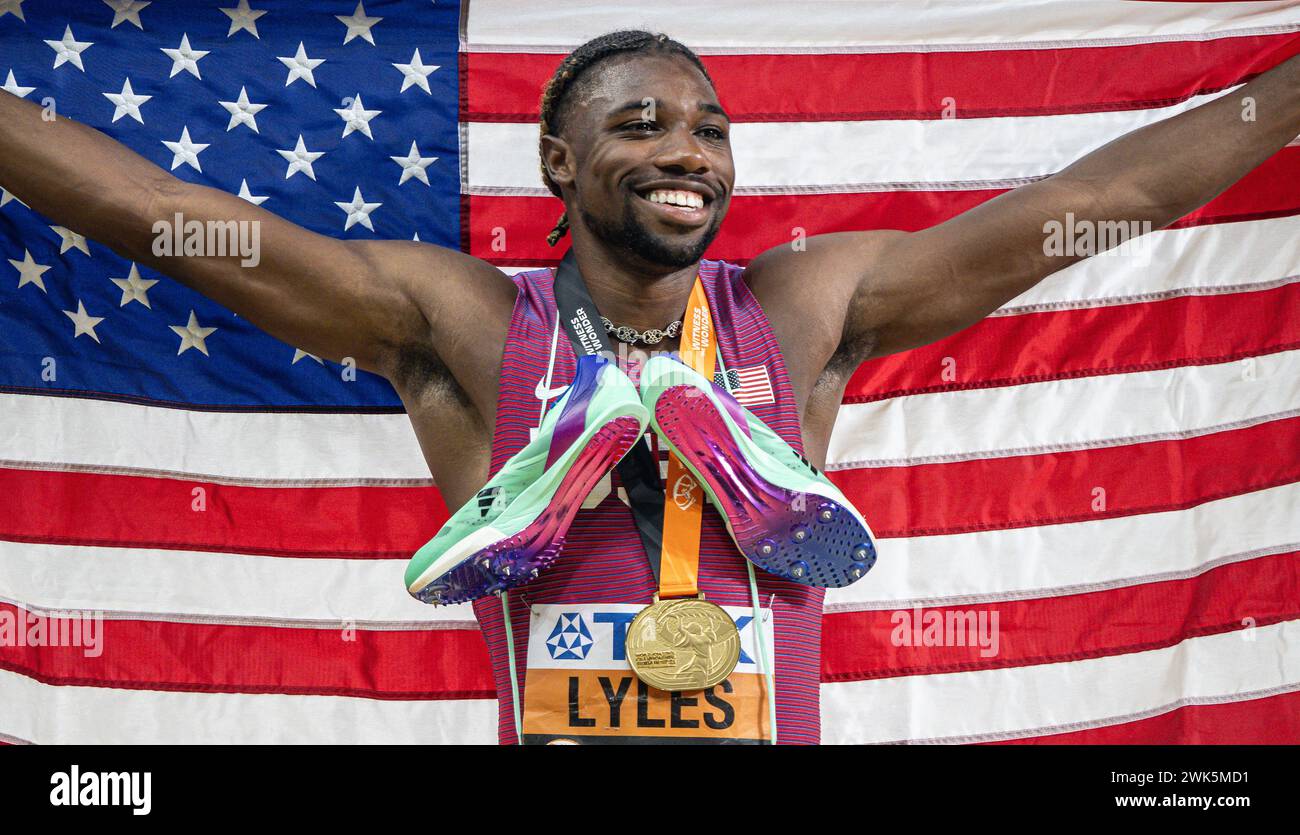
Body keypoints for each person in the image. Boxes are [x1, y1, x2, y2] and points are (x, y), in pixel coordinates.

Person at [2, 29, 1297, 744]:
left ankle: (698, 447)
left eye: (709, 129)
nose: (689, 150)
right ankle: (561, 473)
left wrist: (1282, 99)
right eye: (641, 126)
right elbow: (167, 218)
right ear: (559, 161)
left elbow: (1096, 205)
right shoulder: (459, 318)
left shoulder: (798, 307)